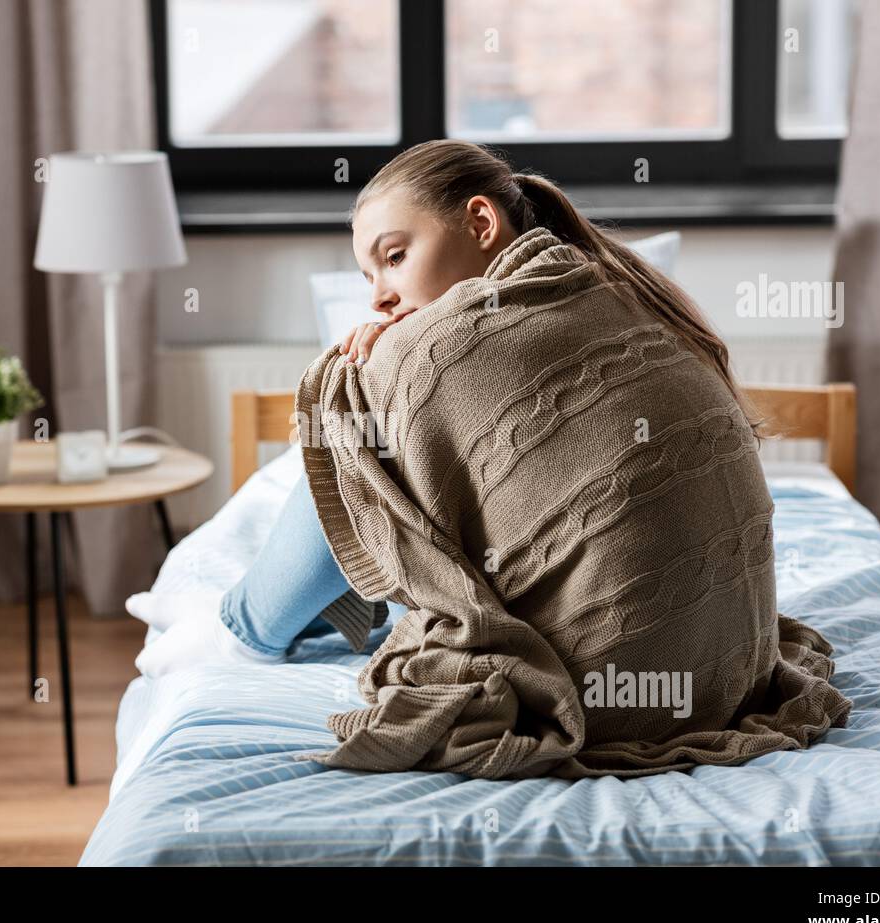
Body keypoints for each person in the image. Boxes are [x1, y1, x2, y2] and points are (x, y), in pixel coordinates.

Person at [128, 138, 765, 678]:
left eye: (395, 256)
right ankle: (251, 614)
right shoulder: (613, 293)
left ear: (481, 224)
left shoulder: (476, 337)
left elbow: (355, 427)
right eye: (368, 277)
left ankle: (242, 633)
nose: (379, 299)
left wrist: (379, 370)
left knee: (352, 428)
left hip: (601, 674)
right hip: (725, 664)